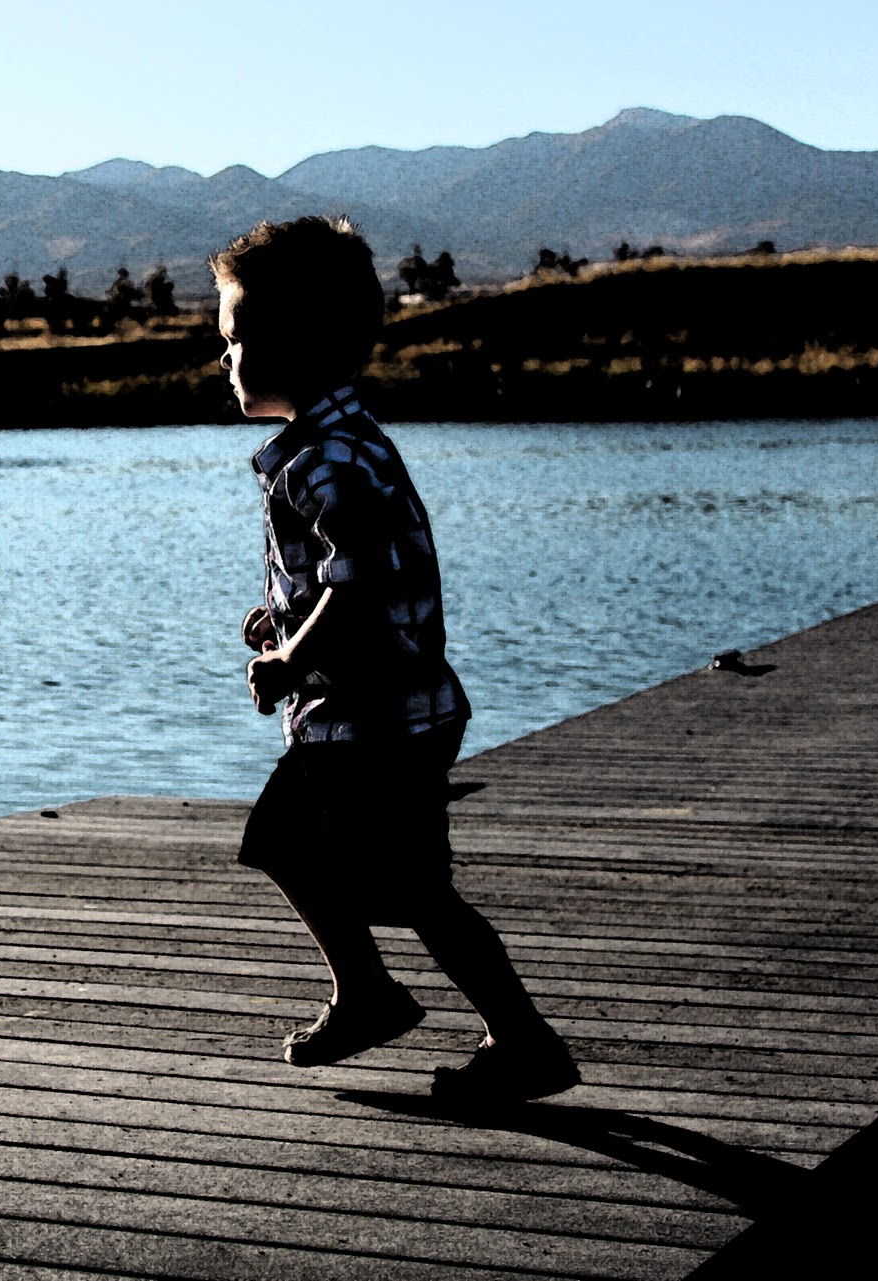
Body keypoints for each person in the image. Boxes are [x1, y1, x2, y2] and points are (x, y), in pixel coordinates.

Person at [211, 215, 580, 1102]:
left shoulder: (327, 459)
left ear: (299, 345)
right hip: (380, 711)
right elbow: (340, 575)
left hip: (374, 716)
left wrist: (289, 658)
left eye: (236, 337)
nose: (224, 357)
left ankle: (511, 1037)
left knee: (402, 882)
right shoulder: (339, 444)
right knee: (312, 849)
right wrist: (281, 618)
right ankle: (376, 993)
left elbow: (362, 580)